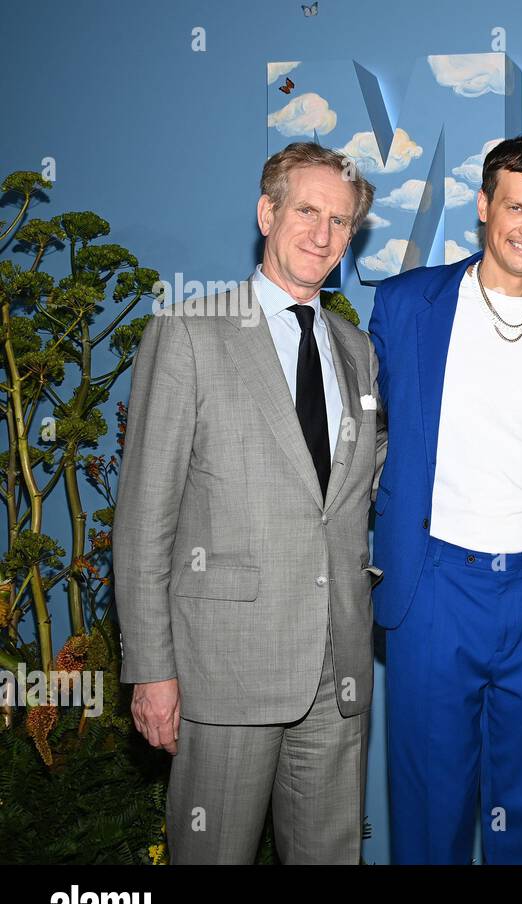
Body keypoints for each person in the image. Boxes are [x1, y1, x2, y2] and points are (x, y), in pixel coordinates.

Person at [115, 142, 384, 864]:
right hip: (221, 672)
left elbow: (349, 500)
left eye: (340, 221)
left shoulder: (357, 350)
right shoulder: (188, 334)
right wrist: (150, 667)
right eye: (306, 210)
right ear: (267, 212)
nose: (322, 234)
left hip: (337, 668)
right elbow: (144, 518)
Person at [370, 136, 522, 865]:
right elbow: (365, 434)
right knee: (429, 805)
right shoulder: (407, 304)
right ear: (482, 207)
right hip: (435, 584)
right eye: (516, 207)